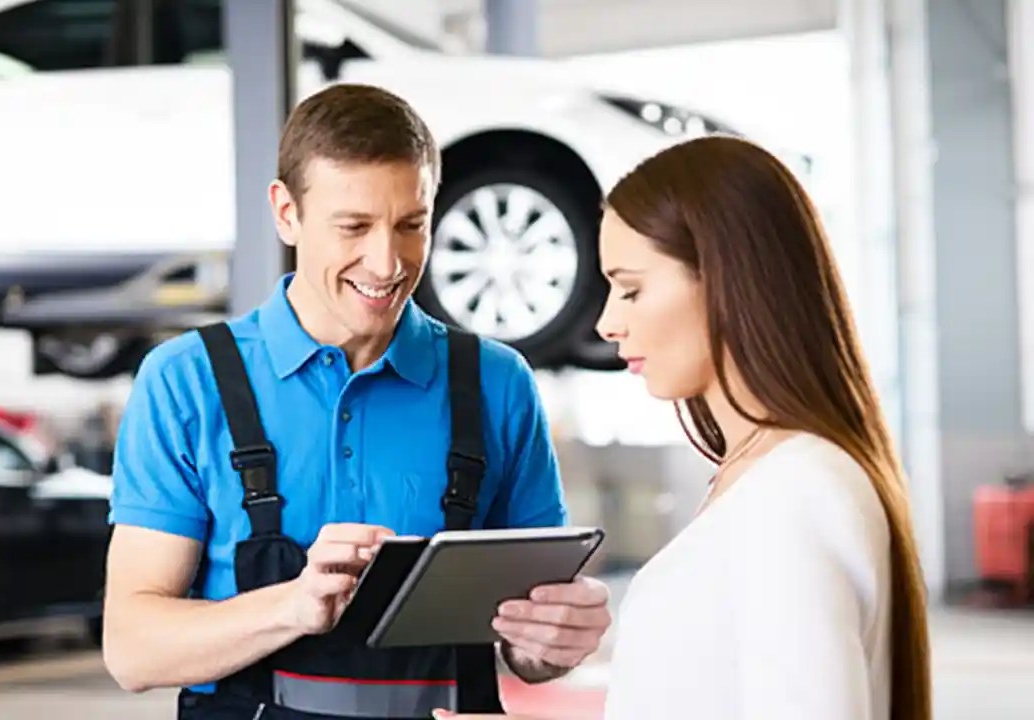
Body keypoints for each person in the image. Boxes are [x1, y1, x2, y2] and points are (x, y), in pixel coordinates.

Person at [100, 82, 612, 720]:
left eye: (410, 225)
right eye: (354, 227)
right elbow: (132, 652)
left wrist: (556, 641)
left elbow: (529, 650)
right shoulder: (186, 381)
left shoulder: (497, 383)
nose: (387, 261)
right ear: (287, 212)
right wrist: (292, 606)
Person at [443, 135, 932, 720]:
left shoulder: (796, 492)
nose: (607, 323)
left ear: (728, 278)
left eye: (631, 289)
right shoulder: (761, 478)